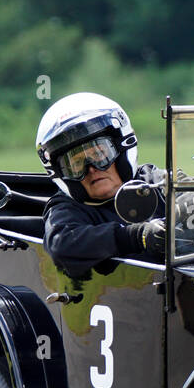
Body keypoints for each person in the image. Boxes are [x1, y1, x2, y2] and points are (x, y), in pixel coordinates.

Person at [36, 93, 167, 272]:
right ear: (62, 174)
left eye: (99, 154)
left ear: (121, 148)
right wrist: (137, 236)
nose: (91, 169)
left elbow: (190, 197)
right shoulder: (66, 207)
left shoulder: (153, 180)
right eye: (76, 163)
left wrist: (192, 205)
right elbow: (61, 244)